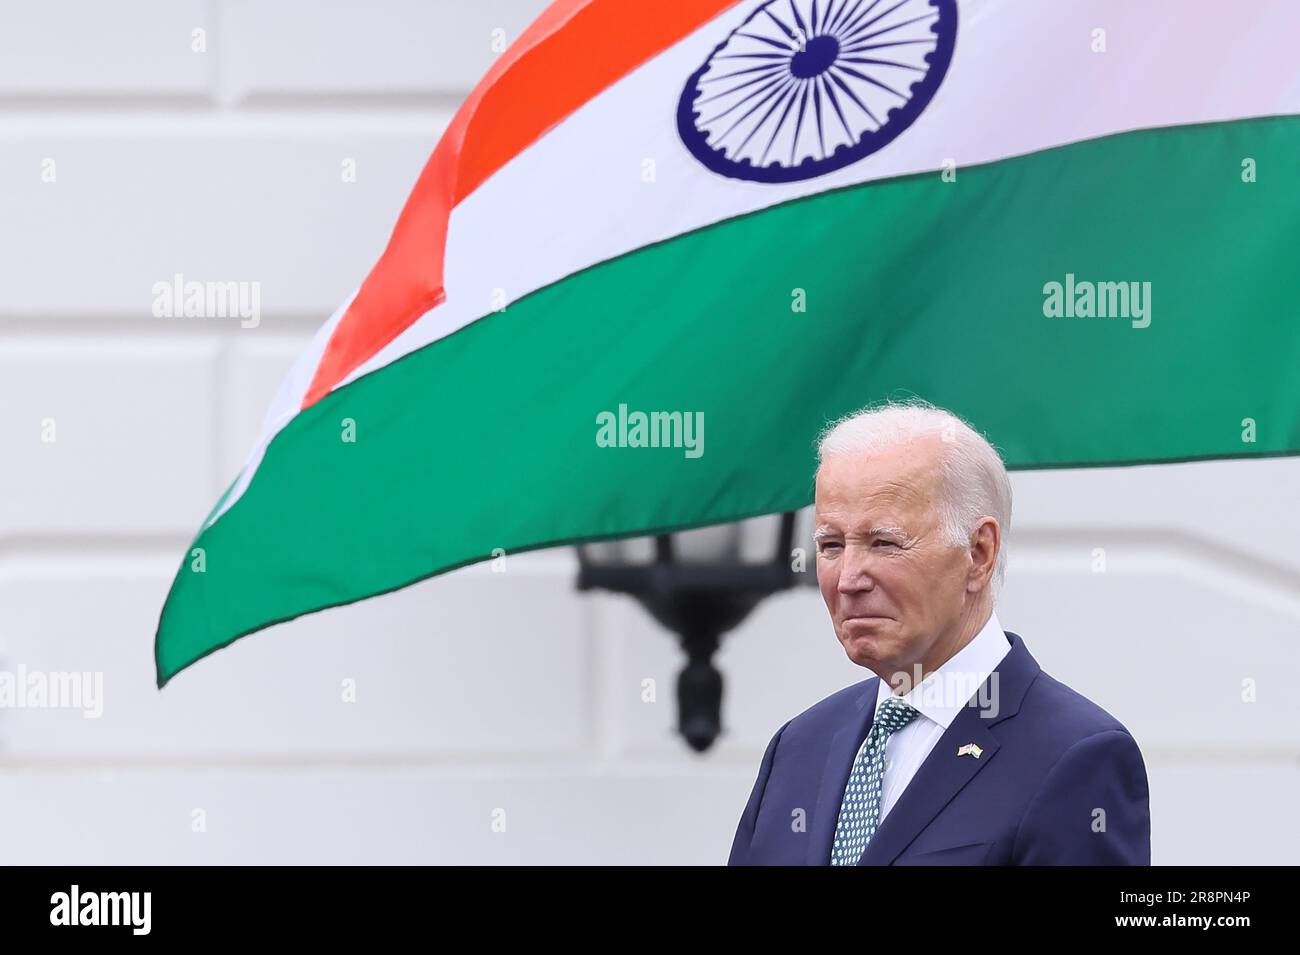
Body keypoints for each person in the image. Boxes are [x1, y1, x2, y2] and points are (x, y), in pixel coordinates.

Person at [728, 399, 1151, 865]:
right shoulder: (798, 748)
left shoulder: (1074, 756)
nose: (848, 579)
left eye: (884, 543)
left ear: (978, 553)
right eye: (831, 545)